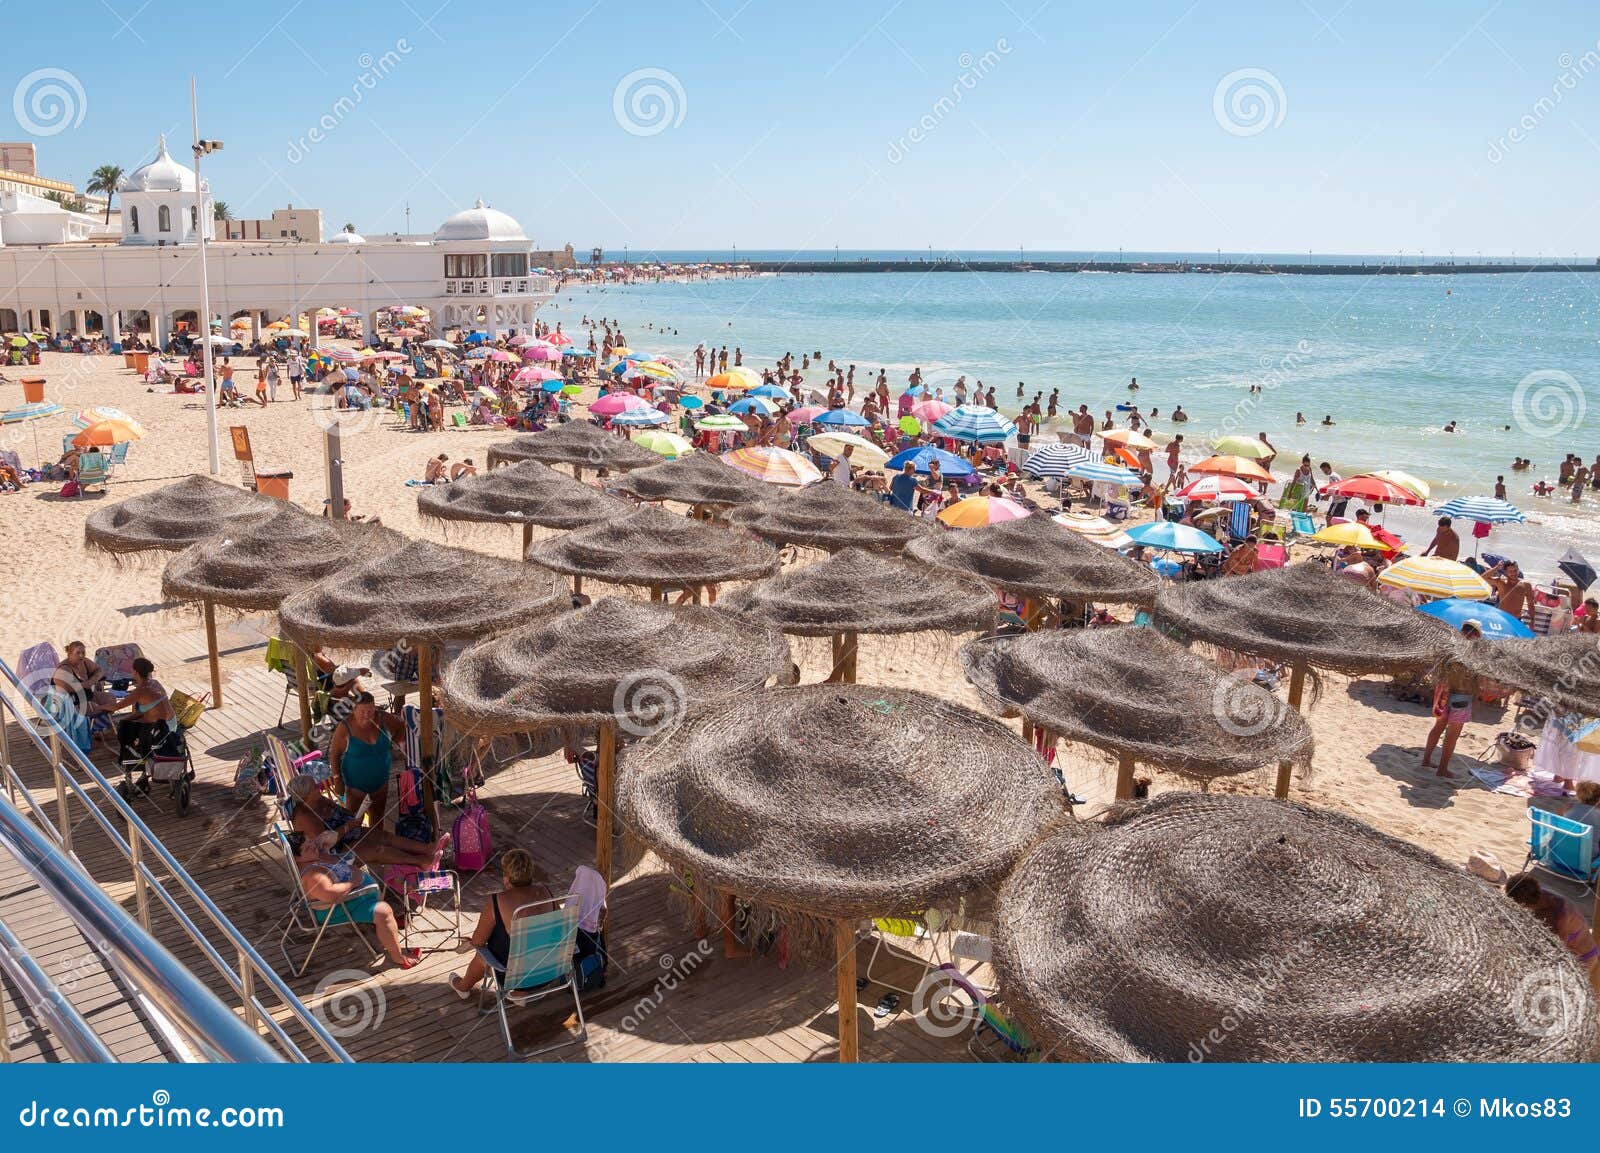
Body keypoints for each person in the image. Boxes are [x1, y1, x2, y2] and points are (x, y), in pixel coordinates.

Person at [289, 829, 419, 969]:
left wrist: (319, 840)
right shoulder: (313, 875)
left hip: (352, 899)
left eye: (311, 842)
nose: (313, 847)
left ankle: (384, 927)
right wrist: (354, 882)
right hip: (334, 910)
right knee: (384, 912)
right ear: (297, 858)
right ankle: (398, 957)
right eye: (307, 848)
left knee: (381, 904)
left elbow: (333, 836)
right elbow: (331, 895)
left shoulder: (315, 855)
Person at [449, 848, 556, 997]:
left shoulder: (498, 900)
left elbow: (478, 942)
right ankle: (521, 994)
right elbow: (556, 933)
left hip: (517, 978)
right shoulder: (546, 892)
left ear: (507, 877)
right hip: (550, 970)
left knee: (483, 955)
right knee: (527, 943)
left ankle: (463, 986)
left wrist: (472, 942)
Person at [286, 773, 447, 869]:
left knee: (385, 837)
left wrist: (355, 815)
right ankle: (421, 861)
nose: (319, 788)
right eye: (315, 788)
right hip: (334, 852)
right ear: (305, 796)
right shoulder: (305, 818)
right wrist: (349, 826)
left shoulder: (319, 800)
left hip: (348, 832)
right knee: (378, 849)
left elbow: (342, 811)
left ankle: (427, 848)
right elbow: (325, 844)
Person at [1504, 872, 1600, 990]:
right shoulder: (1536, 894)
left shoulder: (1560, 915)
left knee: (1567, 996)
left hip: (1584, 958)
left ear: (1524, 904)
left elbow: (1557, 956)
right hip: (1572, 954)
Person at [327, 691, 406, 816]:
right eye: (362, 711)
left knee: (378, 819)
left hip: (381, 781)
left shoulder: (383, 718)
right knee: (354, 821)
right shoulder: (345, 727)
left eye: (370, 711)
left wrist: (392, 744)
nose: (367, 715)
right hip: (355, 785)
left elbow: (402, 725)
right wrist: (337, 779)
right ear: (354, 710)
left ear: (375, 708)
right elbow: (334, 754)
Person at [1421, 623, 1480, 776]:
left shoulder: (1450, 648)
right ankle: (1442, 769)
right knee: (1452, 735)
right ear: (1474, 636)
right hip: (1462, 696)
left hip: (1444, 694)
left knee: (1438, 727)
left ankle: (1426, 760)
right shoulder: (1472, 654)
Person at [107, 657, 174, 765]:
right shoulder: (155, 683)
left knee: (126, 729)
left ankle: (132, 761)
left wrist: (98, 707)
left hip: (159, 730)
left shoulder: (140, 690)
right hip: (171, 724)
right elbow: (147, 711)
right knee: (128, 721)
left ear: (136, 672)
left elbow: (116, 707)